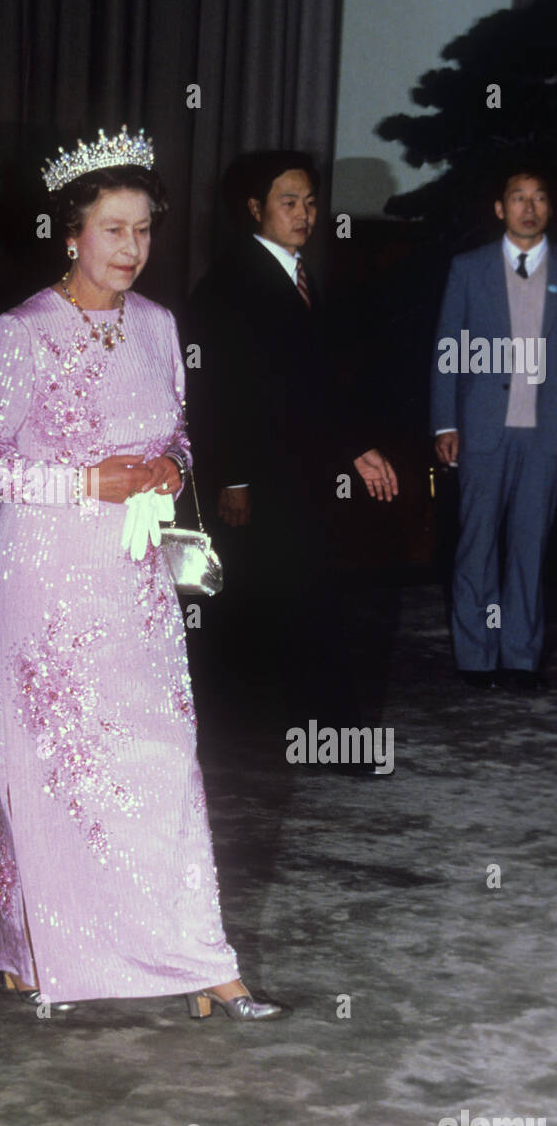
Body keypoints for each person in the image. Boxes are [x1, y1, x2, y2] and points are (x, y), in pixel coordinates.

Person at [0, 126, 287, 1020]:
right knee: (49, 764)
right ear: (71, 233)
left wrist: (172, 470)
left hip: (132, 570)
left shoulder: (159, 325)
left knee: (159, 758)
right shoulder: (19, 332)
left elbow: (175, 432)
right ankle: (39, 947)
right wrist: (86, 480)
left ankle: (195, 952)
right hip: (40, 574)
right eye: (112, 229)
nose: (131, 249)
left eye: (143, 230)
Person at [188, 151, 397, 774]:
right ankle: (334, 743)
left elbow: (311, 384)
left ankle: (274, 740)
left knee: (284, 603)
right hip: (258, 478)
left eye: (310, 202)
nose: (305, 214)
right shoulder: (230, 285)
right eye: (289, 202)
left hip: (296, 476)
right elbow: (220, 393)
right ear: (254, 209)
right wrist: (234, 478)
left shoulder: (295, 275)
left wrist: (353, 447)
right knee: (291, 604)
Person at [431, 165, 556, 692]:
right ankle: (477, 655)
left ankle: (520, 657)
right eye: (518, 197)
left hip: (544, 435)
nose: (529, 207)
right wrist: (444, 422)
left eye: (540, 198)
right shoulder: (470, 268)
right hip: (482, 428)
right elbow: (447, 350)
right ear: (500, 208)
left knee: (531, 545)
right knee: (477, 544)